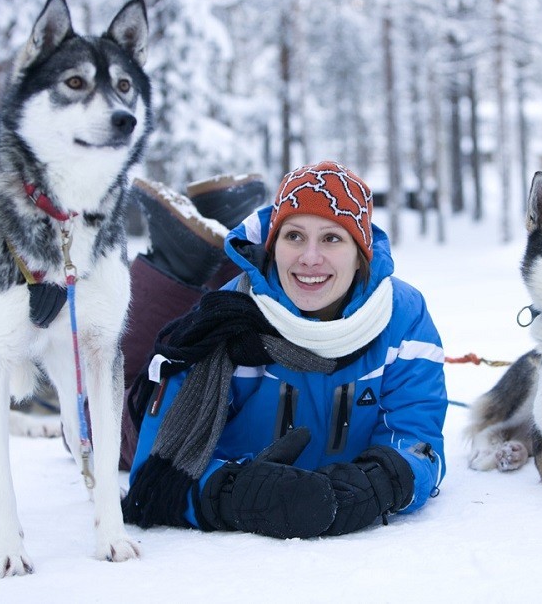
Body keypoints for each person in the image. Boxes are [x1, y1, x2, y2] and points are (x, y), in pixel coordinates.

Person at [119, 161, 447, 539]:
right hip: (149, 409)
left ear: (361, 253)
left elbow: (418, 439)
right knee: (102, 419)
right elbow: (155, 472)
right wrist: (235, 494)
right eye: (293, 236)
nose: (310, 256)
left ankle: (209, 240)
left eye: (332, 238)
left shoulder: (402, 317)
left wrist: (382, 482)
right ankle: (174, 262)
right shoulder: (222, 322)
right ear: (273, 246)